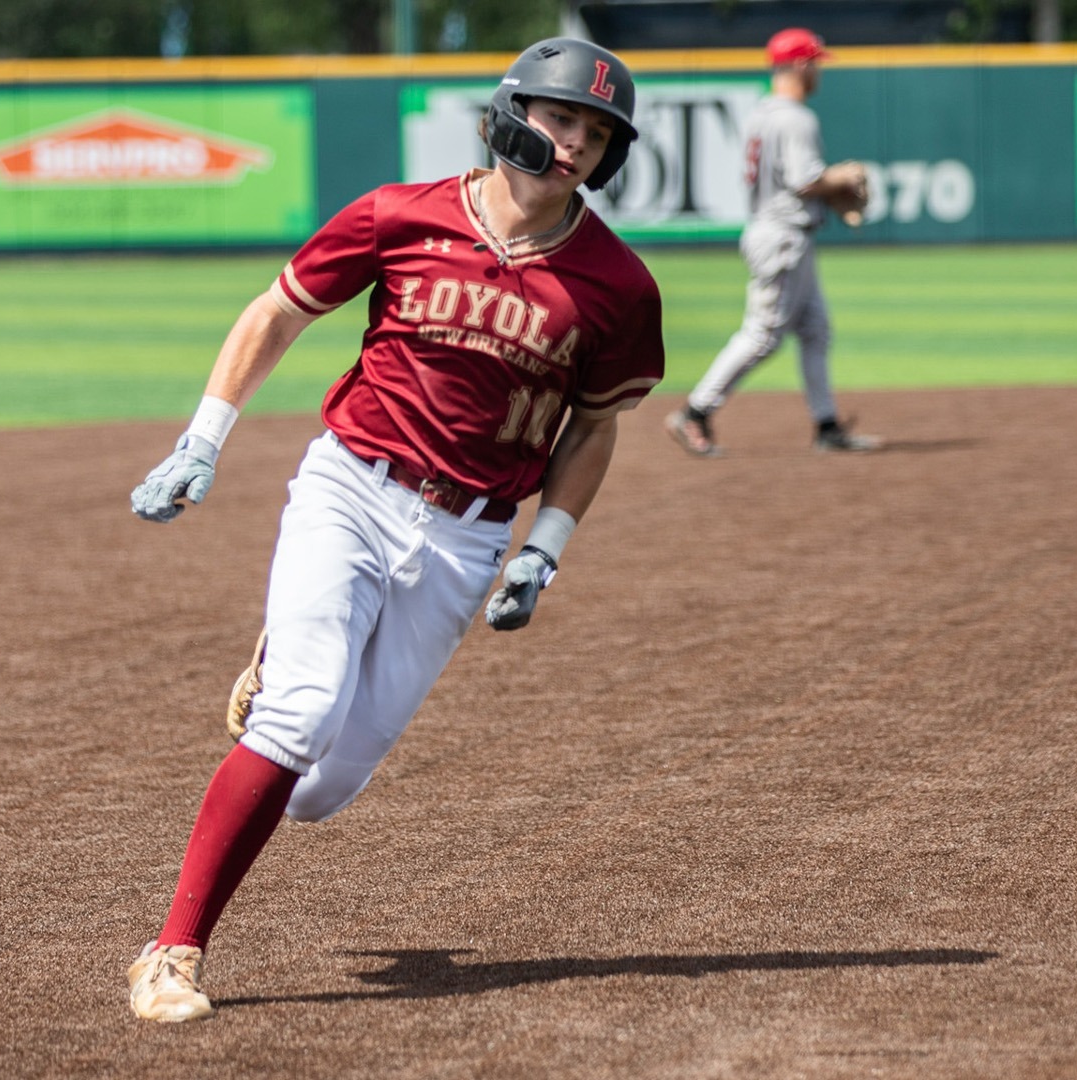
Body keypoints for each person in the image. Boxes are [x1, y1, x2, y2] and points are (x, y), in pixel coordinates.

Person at [122, 37, 663, 1023]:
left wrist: (546, 549)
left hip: (466, 537)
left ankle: (292, 660)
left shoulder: (617, 286)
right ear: (511, 114)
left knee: (323, 788)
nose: (576, 143)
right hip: (351, 486)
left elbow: (594, 424)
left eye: (595, 131)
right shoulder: (400, 213)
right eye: (559, 117)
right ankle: (173, 952)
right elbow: (278, 312)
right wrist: (204, 440)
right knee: (298, 712)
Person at [664, 26, 878, 457]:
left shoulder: (763, 113)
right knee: (762, 335)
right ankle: (695, 411)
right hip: (783, 237)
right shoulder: (796, 117)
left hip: (776, 230)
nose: (819, 70)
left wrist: (830, 186)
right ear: (800, 64)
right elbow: (804, 180)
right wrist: (844, 177)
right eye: (816, 62)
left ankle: (827, 425)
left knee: (815, 330)